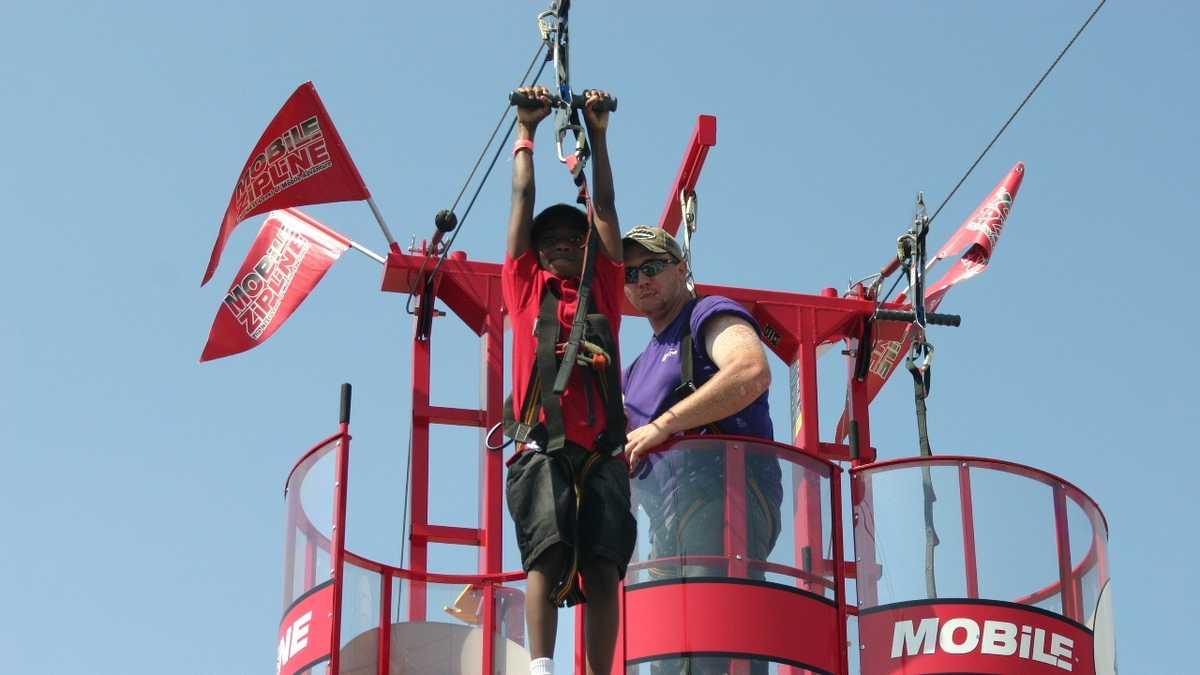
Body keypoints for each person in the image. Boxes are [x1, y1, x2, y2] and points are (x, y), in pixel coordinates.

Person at [502, 85, 635, 675]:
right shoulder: (526, 288)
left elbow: (603, 210)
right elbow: (522, 198)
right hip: (542, 444)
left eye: (571, 241)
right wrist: (526, 131)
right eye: (549, 241)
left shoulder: (603, 289)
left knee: (604, 564)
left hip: (601, 450)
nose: (560, 246)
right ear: (534, 253)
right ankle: (542, 666)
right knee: (548, 553)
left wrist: (598, 133)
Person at [621, 225, 783, 673]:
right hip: (666, 526)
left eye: (651, 267)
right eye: (630, 274)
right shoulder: (634, 371)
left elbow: (750, 370)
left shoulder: (706, 315)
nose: (640, 280)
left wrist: (663, 425)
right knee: (671, 660)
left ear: (681, 268)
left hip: (722, 497)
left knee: (716, 649)